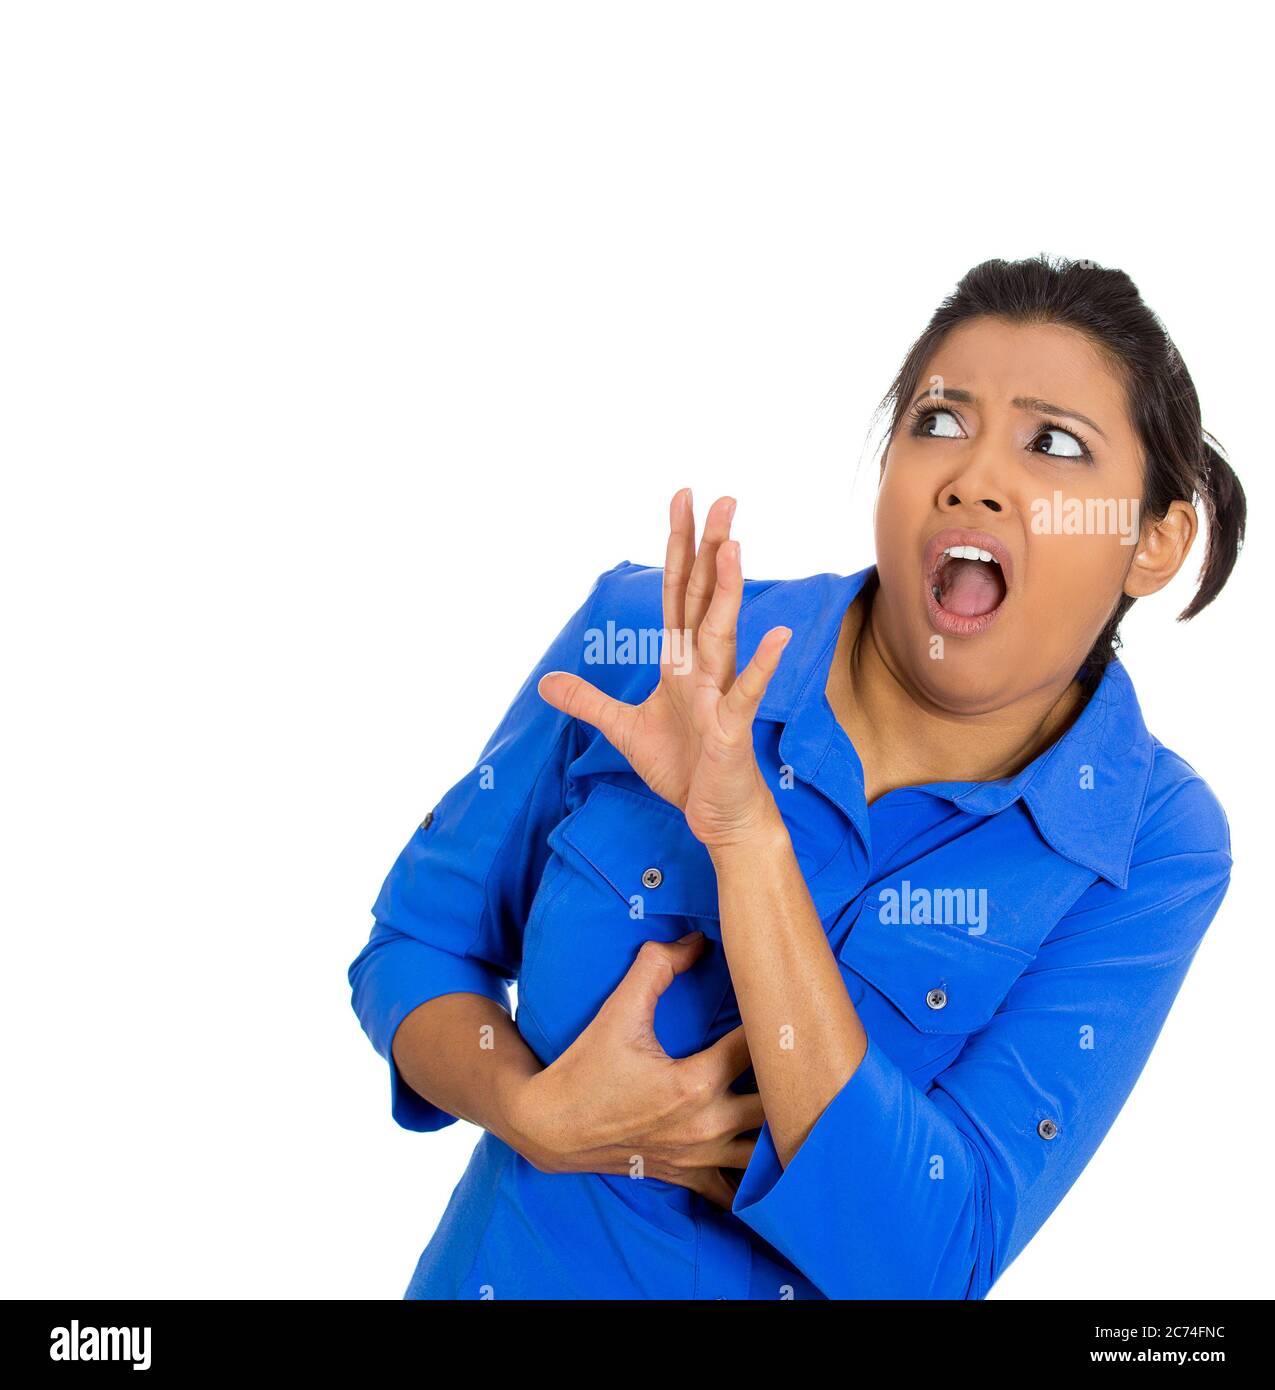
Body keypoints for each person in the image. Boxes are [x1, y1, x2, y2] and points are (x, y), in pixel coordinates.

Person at [348, 254, 1244, 1299]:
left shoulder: (1152, 844)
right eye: (938, 421)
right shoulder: (655, 637)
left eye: (1053, 443)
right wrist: (530, 1112)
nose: (971, 476)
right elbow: (414, 945)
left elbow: (928, 1266)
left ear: (1153, 542)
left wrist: (747, 839)